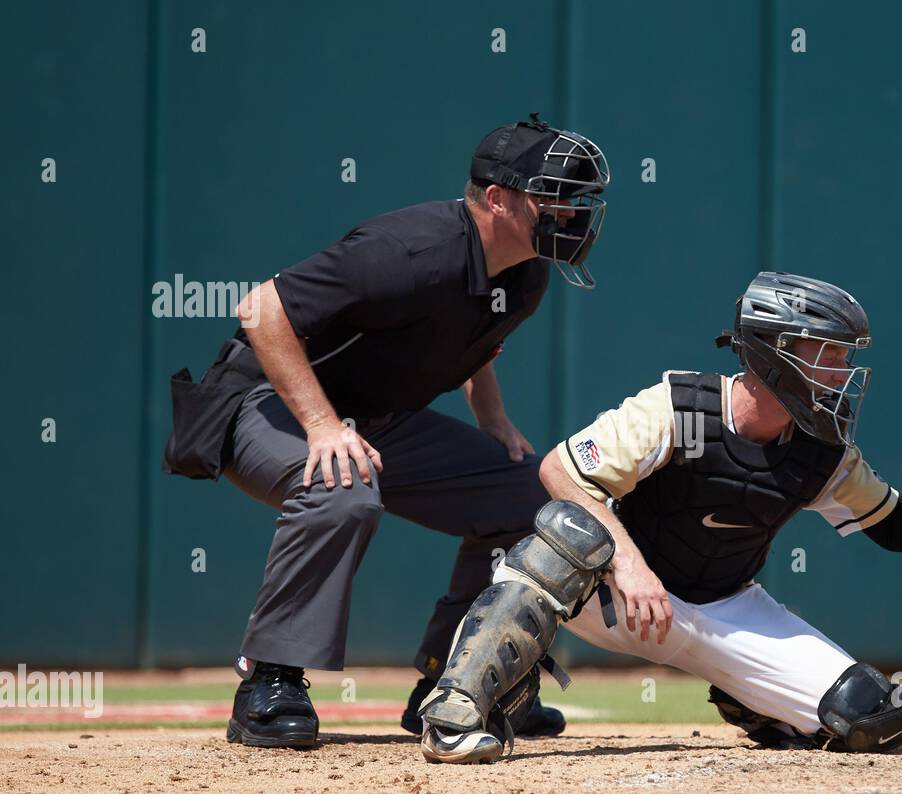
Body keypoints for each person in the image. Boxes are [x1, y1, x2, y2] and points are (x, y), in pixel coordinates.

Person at [418, 271, 902, 764]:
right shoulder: (678, 408)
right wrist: (630, 569)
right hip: (616, 597)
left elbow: (901, 526)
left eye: (846, 358)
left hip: (724, 608)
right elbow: (559, 471)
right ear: (775, 354)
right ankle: (456, 711)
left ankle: (755, 702)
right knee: (560, 535)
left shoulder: (825, 456)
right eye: (830, 356)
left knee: (874, 715)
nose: (843, 375)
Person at [162, 115, 610, 748]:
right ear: (498, 199)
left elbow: (475, 343)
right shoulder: (409, 253)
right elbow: (261, 309)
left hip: (375, 420)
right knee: (343, 483)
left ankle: (459, 684)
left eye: (577, 200)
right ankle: (268, 682)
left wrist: (494, 422)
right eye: (554, 195)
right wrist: (321, 427)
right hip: (262, 401)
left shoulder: (526, 275)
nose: (570, 213)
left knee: (532, 502)